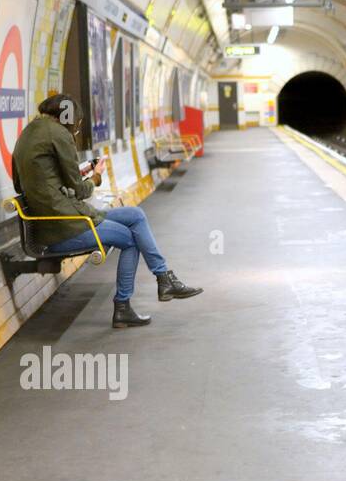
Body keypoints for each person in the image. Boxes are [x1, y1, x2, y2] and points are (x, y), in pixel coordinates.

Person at [11, 94, 203, 328]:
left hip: (52, 222)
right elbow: (80, 190)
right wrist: (96, 177)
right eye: (77, 124)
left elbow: (22, 185)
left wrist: (76, 176)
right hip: (66, 227)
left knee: (135, 214)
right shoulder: (60, 134)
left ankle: (164, 278)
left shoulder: (27, 133)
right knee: (131, 240)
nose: (77, 129)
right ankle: (124, 307)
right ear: (68, 118)